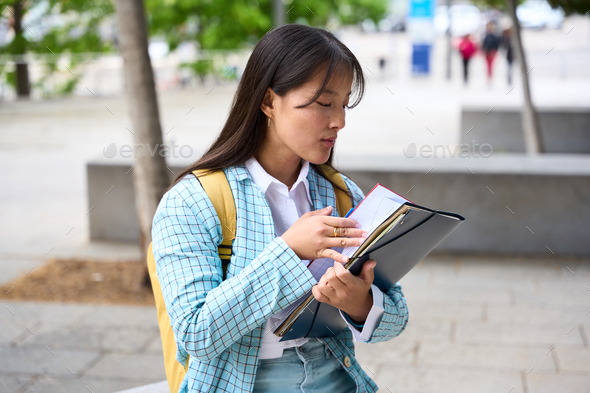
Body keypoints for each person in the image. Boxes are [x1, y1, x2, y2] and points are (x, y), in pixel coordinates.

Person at [151, 24, 409, 393]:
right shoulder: (194, 201)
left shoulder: (342, 195)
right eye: (323, 103)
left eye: (343, 103)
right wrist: (288, 251)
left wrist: (361, 304)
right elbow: (195, 335)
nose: (340, 121)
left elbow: (396, 319)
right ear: (269, 101)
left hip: (336, 378)